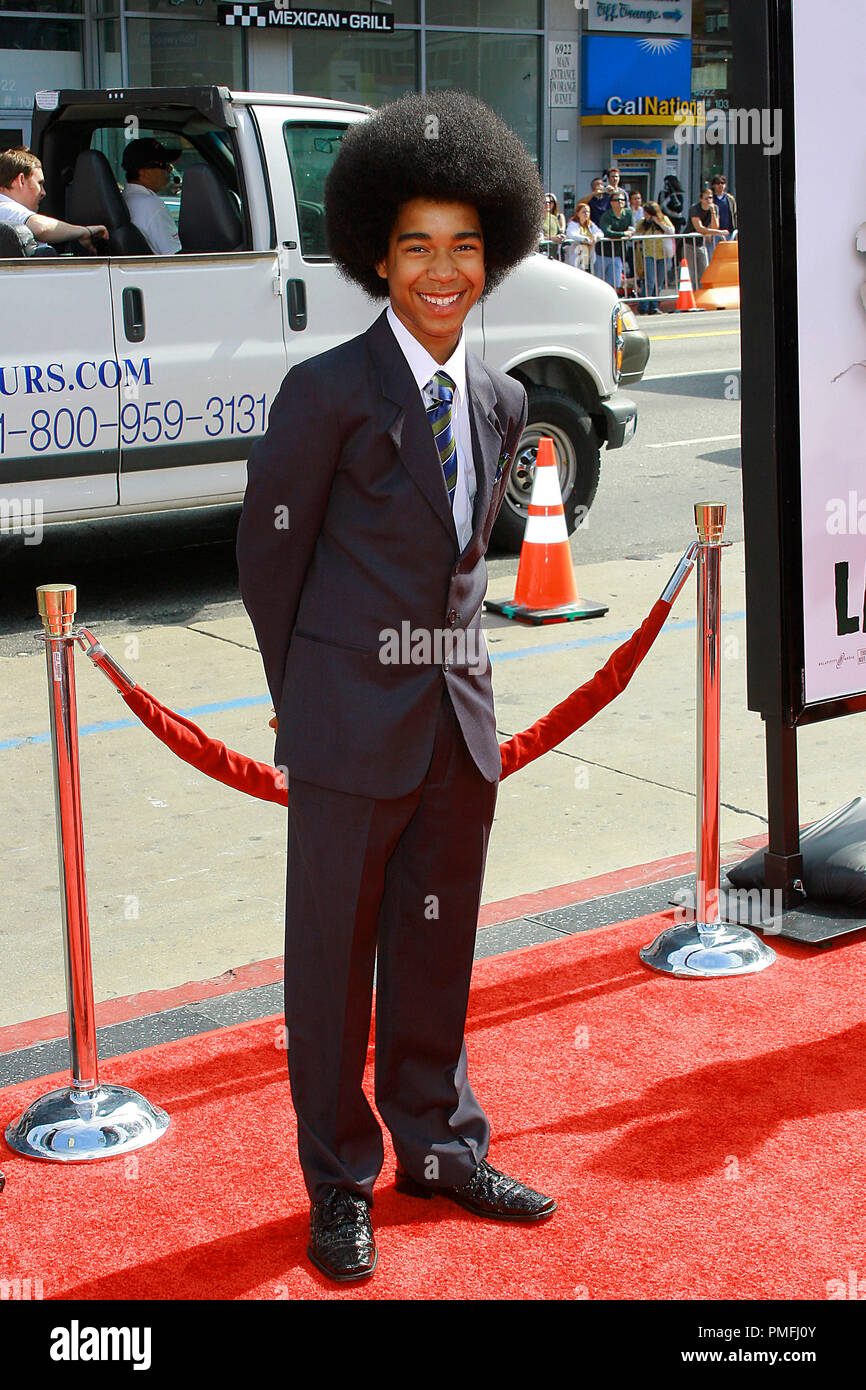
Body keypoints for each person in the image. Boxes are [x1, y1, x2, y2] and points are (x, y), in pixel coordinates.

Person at [236, 89, 557, 1287]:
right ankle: (338, 1181)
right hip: (344, 731)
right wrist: (305, 700)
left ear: (495, 255)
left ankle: (437, 1143)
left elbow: (462, 567)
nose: (441, 269)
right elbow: (270, 555)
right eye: (416, 246)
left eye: (464, 246)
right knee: (331, 966)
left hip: (455, 734)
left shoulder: (505, 399)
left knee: (434, 950)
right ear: (378, 256)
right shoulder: (323, 391)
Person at [0, 146, 106, 253]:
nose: (43, 193)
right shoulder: (4, 208)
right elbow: (41, 227)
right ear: (21, 180)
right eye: (39, 184)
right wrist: (85, 232)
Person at [121, 137, 182, 255]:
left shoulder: (124, 199)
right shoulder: (152, 205)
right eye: (163, 164)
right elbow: (175, 257)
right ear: (143, 171)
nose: (170, 169)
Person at [633, 201, 676, 314]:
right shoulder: (642, 222)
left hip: (663, 254)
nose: (646, 216)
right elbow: (636, 237)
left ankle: (654, 306)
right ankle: (643, 306)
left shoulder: (664, 219)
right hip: (649, 254)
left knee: (658, 281)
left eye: (648, 214)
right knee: (650, 280)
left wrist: (658, 222)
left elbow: (671, 231)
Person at [688, 184, 729, 286]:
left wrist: (713, 212)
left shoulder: (714, 208)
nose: (709, 200)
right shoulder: (694, 209)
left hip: (701, 243)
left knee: (704, 270)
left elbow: (715, 226)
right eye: (706, 198)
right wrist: (719, 233)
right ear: (701, 199)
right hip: (689, 242)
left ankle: (702, 295)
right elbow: (699, 228)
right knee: (692, 273)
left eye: (710, 197)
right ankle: (693, 295)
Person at [598, 190, 634, 290]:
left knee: (615, 283)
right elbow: (607, 232)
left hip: (618, 253)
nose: (620, 202)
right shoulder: (606, 215)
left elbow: (631, 228)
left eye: (622, 199)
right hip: (603, 253)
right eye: (617, 200)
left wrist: (629, 233)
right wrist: (623, 234)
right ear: (611, 202)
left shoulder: (628, 213)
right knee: (600, 283)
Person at [563, 200, 602, 272]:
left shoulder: (590, 224)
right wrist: (585, 239)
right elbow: (571, 234)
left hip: (588, 256)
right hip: (576, 254)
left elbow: (600, 233)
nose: (586, 214)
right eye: (584, 212)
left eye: (588, 212)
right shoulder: (573, 224)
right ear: (578, 213)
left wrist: (596, 236)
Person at [540, 191, 565, 257]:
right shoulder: (535, 219)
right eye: (544, 202)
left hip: (554, 254)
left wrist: (561, 237)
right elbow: (537, 238)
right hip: (541, 254)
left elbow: (560, 232)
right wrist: (553, 238)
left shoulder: (554, 218)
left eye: (550, 202)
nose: (547, 204)